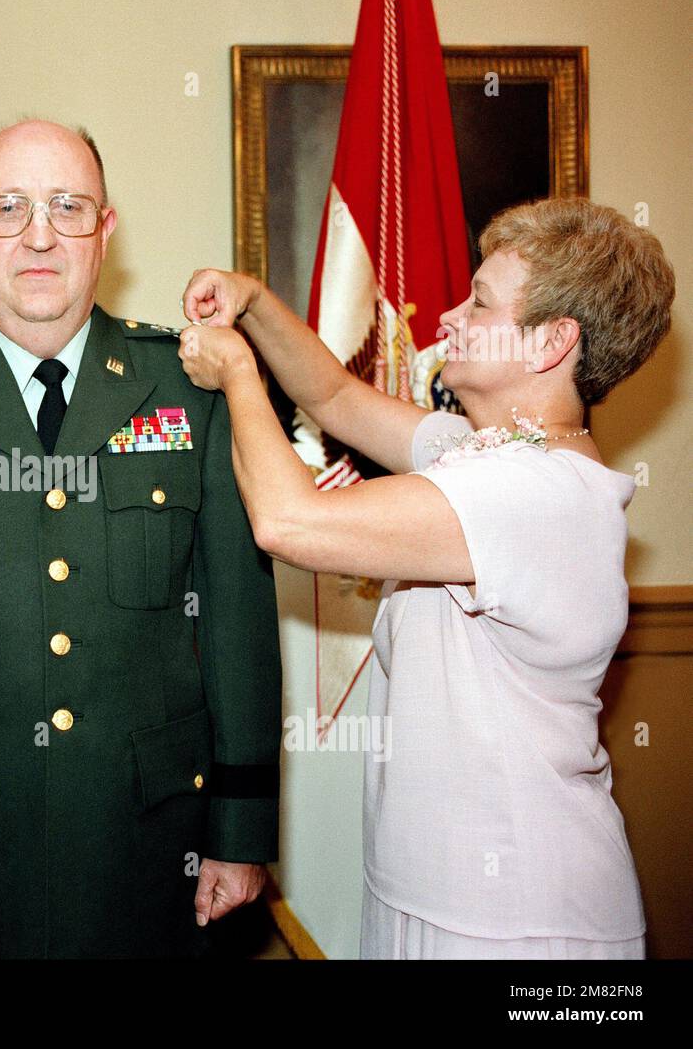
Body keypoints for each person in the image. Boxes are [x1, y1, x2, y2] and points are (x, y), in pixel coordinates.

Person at [0, 120, 282, 958]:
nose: (39, 235)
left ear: (106, 229)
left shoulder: (191, 389)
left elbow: (238, 626)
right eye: (7, 208)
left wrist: (242, 826)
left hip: (153, 843)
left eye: (68, 207)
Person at [178, 196, 674, 959]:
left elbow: (290, 522)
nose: (447, 317)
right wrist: (254, 303)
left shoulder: (535, 496)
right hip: (435, 895)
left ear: (551, 341)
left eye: (479, 301)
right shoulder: (489, 457)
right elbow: (335, 397)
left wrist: (239, 374)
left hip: (517, 921)